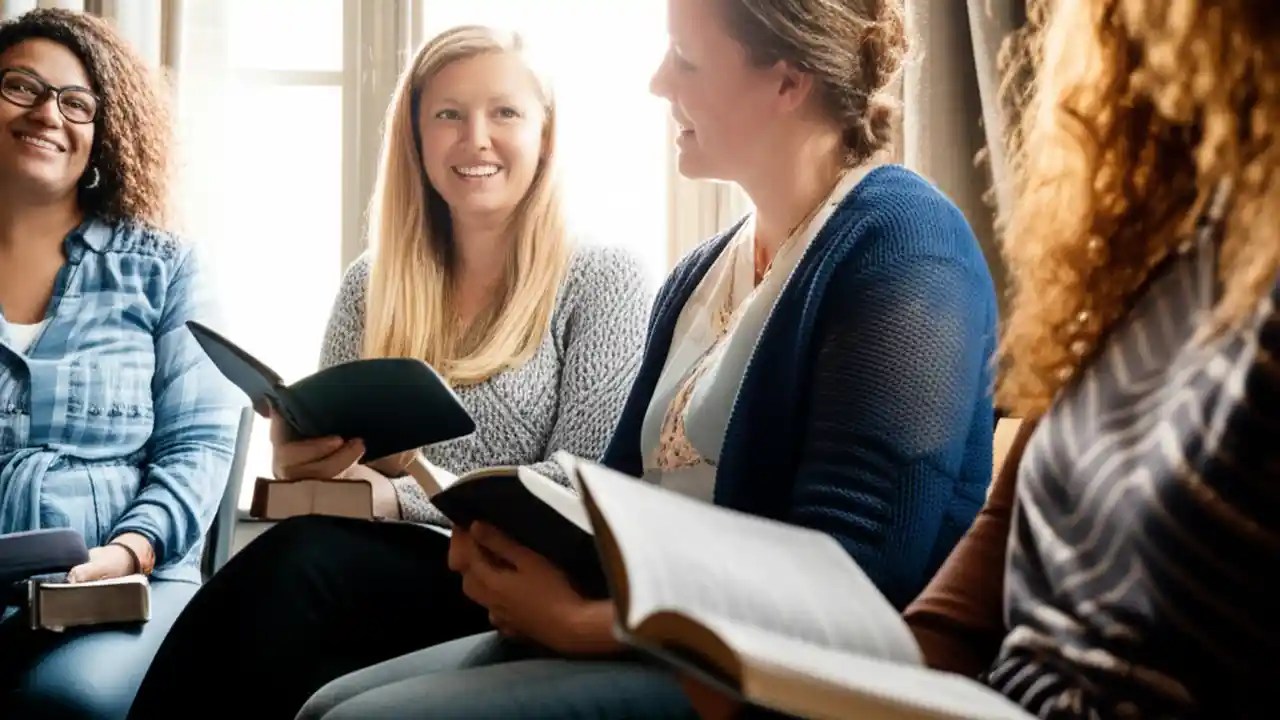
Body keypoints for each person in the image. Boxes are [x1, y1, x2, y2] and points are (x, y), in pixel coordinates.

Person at [282, 0, 1001, 716]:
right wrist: (505, 547)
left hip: (779, 690)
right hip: (652, 641)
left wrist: (581, 624)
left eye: (686, 58)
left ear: (787, 82)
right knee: (323, 706)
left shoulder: (907, 246)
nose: (659, 82)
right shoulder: (699, 274)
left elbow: (858, 583)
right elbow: (614, 499)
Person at [697, 0, 1280, 716]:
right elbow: (956, 618)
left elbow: (857, 561)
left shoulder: (906, 241)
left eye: (688, 61)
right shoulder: (1154, 261)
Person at [124, 25, 652, 719]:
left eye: (505, 113)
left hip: (515, 579)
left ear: (546, 135)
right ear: (416, 137)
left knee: (296, 569)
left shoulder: (606, 278)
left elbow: (583, 480)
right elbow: (343, 473)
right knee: (293, 605)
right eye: (448, 114)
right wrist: (303, 459)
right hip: (376, 569)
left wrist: (397, 496)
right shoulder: (369, 284)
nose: (476, 139)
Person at [0, 8, 241, 720]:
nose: (49, 113)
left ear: (102, 133)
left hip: (122, 582)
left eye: (77, 102)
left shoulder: (167, 270)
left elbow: (199, 446)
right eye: (22, 87)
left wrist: (132, 549)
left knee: (65, 706)